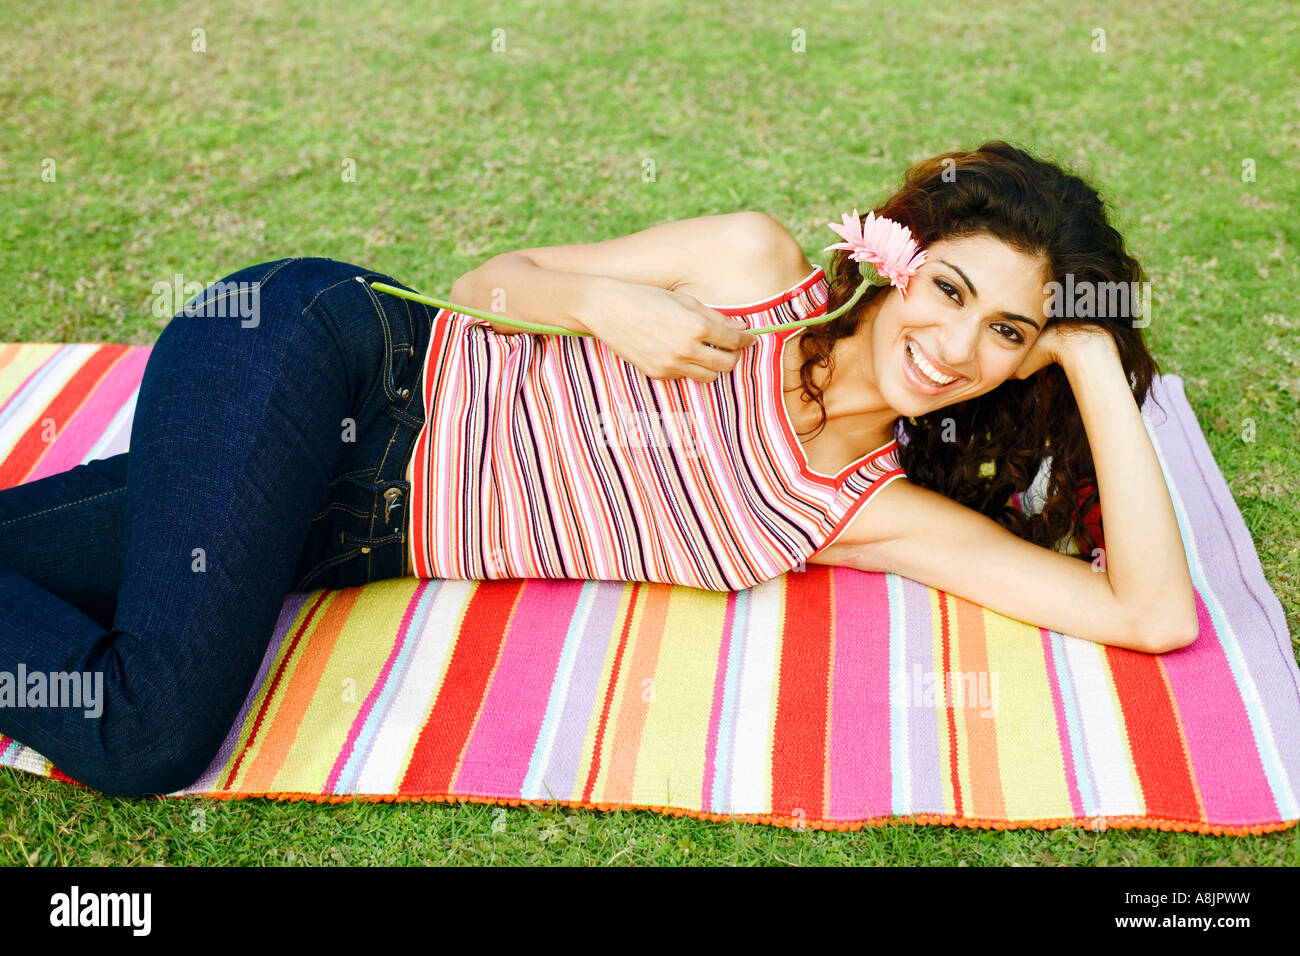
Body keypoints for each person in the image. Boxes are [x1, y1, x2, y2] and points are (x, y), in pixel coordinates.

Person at [0, 140, 1196, 797]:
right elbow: (479, 286)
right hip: (331, 356)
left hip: (342, 525)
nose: (952, 343)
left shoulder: (867, 506)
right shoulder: (753, 268)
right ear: (899, 258)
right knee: (146, 729)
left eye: (1004, 332)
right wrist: (599, 305)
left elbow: (1144, 611)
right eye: (951, 288)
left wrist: (1085, 350)